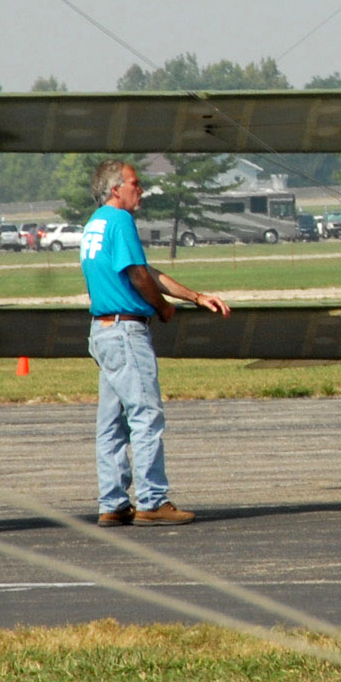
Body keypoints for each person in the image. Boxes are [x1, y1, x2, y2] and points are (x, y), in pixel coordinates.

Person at [80, 159, 231, 526]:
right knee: (146, 414)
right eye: (136, 183)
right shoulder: (120, 221)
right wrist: (162, 307)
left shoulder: (95, 223)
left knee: (112, 424)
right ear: (116, 188)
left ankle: (113, 502)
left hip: (102, 332)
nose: (141, 190)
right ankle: (152, 500)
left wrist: (194, 296)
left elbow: (146, 270)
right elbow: (138, 276)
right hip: (126, 331)